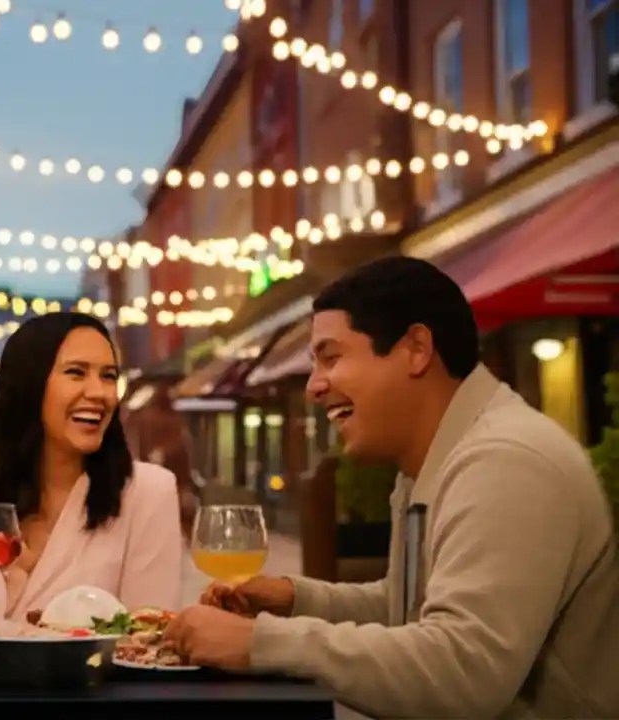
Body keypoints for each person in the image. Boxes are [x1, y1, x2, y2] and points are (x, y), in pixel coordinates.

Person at [165, 257, 619, 719]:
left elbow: (464, 667)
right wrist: (293, 598)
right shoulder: (432, 461)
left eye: (331, 357)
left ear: (416, 350)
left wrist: (258, 643)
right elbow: (409, 609)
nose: (314, 387)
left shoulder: (507, 461)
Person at [0, 312, 184, 632]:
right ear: (29, 384)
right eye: (76, 372)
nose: (100, 392)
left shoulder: (148, 492)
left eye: (108, 376)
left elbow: (147, 639)